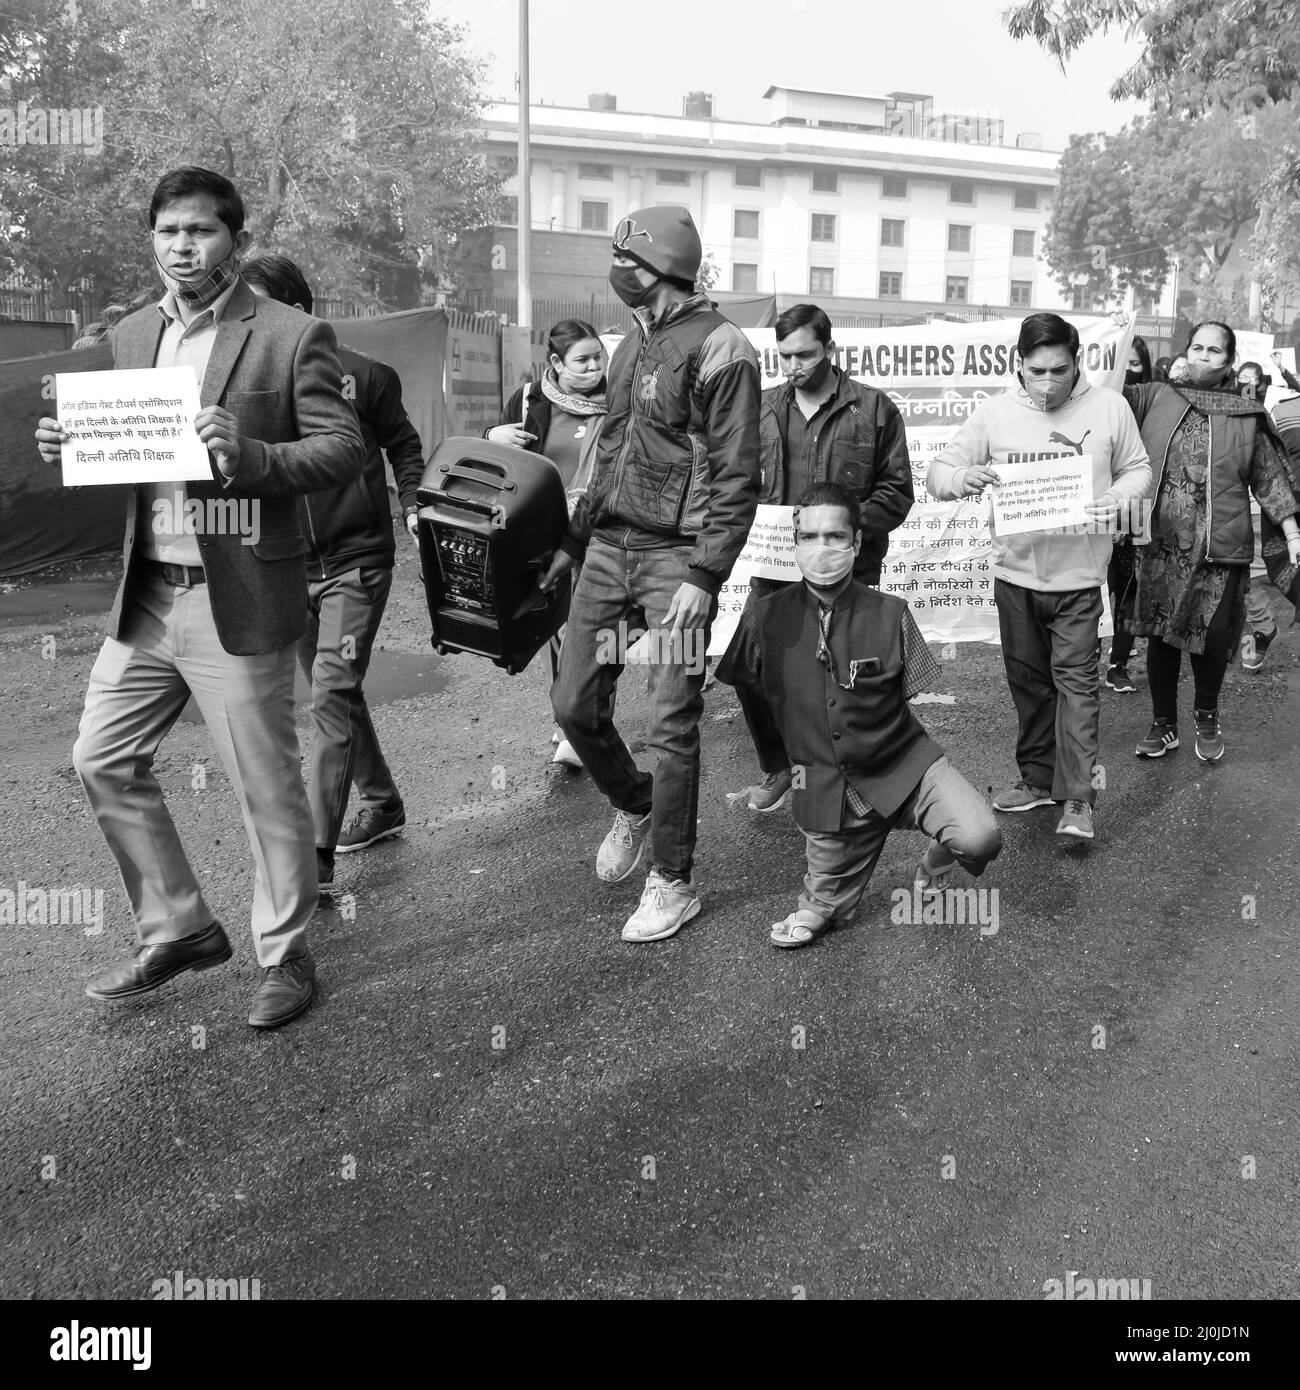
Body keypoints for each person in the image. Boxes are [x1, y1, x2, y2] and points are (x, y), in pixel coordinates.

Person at [34, 167, 365, 1028]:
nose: (184, 246)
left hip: (242, 592)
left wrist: (251, 453)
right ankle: (179, 927)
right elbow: (127, 462)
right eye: (169, 231)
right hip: (149, 592)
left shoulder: (290, 334)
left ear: (236, 240)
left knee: (265, 784)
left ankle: (286, 955)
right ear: (152, 239)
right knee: (99, 757)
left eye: (202, 231)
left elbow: (341, 452)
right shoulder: (132, 333)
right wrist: (71, 444)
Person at [540, 204, 761, 943]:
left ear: (663, 267)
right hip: (609, 546)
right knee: (573, 705)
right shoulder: (631, 345)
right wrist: (575, 540)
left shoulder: (722, 348)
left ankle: (672, 880)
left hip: (677, 562)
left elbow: (737, 476)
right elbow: (608, 452)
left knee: (671, 721)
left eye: (625, 261)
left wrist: (706, 573)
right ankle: (635, 801)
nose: (615, 272)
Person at [723, 482, 1000, 947]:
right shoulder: (762, 618)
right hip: (823, 789)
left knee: (980, 838)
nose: (821, 548)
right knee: (817, 915)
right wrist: (784, 768)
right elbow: (748, 693)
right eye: (808, 537)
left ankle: (934, 863)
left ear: (856, 544)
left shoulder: (892, 613)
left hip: (904, 769)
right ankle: (824, 897)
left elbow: (906, 698)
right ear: (793, 544)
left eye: (834, 536)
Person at [239, 254, 427, 897]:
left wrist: (413, 504)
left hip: (357, 560)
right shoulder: (239, 379)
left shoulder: (366, 376)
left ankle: (315, 856)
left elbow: (402, 441)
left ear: (295, 311)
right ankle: (381, 800)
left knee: (331, 692)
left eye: (259, 305)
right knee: (332, 690)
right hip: (282, 560)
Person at [926, 312, 1151, 840]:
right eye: (1036, 371)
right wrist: (963, 477)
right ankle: (1037, 780)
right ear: (1019, 366)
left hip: (1078, 580)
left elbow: (1138, 469)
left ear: (1078, 363)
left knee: (1076, 688)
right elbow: (937, 474)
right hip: (1016, 578)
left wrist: (1118, 499)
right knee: (1028, 686)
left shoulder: (1110, 408)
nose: (1048, 382)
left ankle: (1077, 799)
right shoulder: (994, 414)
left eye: (1059, 370)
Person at [718, 302, 912, 814]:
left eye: (804, 354)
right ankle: (781, 767)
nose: (793, 366)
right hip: (775, 569)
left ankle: (853, 777)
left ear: (830, 348)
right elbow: (733, 480)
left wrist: (844, 530)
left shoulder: (872, 410)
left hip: (848, 570)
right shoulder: (760, 408)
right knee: (749, 667)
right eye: (783, 357)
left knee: (844, 677)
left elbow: (897, 491)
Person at [1128, 321, 1300, 761]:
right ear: (1186, 352)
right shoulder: (1154, 397)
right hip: (1159, 546)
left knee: (1214, 635)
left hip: (1219, 548)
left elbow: (1270, 478)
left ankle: (1207, 715)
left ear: (1229, 359)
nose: (1204, 357)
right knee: (1162, 636)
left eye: (1214, 351)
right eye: (1198, 348)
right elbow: (1103, 402)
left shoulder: (1244, 414)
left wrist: (1294, 533)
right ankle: (1163, 723)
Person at [486, 318, 609, 769]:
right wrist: (490, 436)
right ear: (556, 363)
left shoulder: (619, 402)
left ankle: (588, 718)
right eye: (583, 360)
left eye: (599, 356)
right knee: (558, 626)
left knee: (593, 629)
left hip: (602, 532)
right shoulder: (526, 401)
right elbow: (499, 463)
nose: (595, 366)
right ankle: (569, 724)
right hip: (545, 535)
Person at [1106, 334, 1155, 693]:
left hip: (1134, 503)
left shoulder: (1152, 404)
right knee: (1092, 585)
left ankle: (1117, 664)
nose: (1126, 374)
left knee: (1127, 586)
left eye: (1133, 366)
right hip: (1089, 502)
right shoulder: (1091, 403)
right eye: (1120, 366)